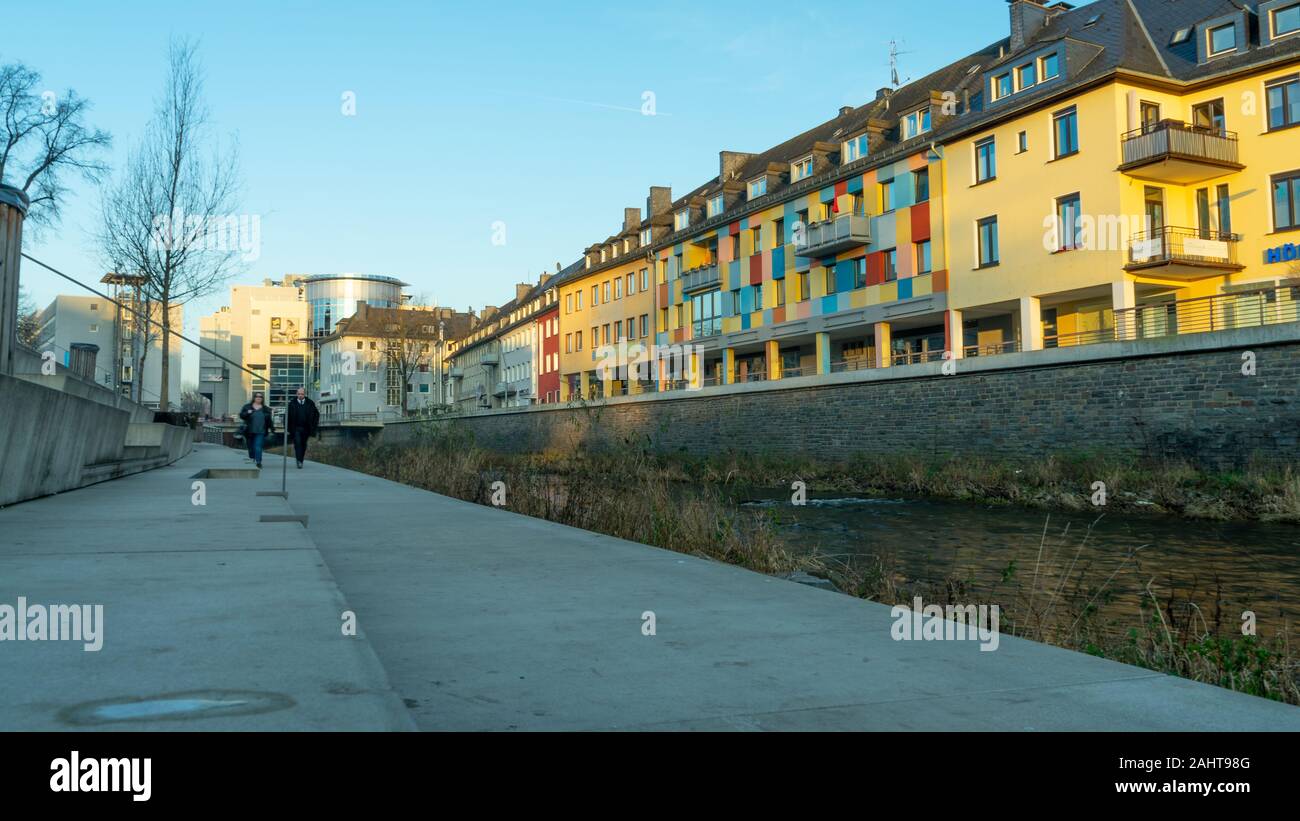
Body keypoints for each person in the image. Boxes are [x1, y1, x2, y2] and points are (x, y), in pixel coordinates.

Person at [285, 387, 320, 469]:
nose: (300, 395)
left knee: (303, 445)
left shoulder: (310, 403)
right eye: (299, 394)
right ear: (296, 394)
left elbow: (316, 415)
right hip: (295, 428)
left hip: (306, 428)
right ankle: (299, 461)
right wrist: (287, 428)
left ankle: (301, 460)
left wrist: (314, 426)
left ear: (305, 394)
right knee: (297, 444)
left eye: (302, 394)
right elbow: (286, 416)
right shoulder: (292, 403)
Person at [238, 392, 275, 468]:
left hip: (261, 431)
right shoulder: (247, 407)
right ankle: (252, 457)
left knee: (258, 446)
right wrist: (247, 413)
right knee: (250, 447)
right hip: (249, 431)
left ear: (262, 399)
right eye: (257, 396)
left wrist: (272, 429)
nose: (258, 398)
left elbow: (269, 420)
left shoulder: (265, 409)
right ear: (254, 398)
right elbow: (241, 415)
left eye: (260, 397)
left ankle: (258, 462)